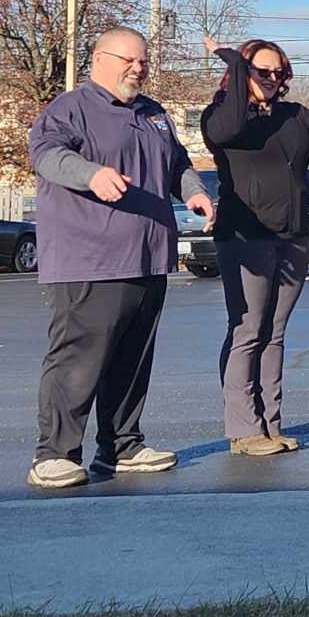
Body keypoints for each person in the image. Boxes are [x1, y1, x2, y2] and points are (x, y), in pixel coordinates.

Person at [26, 27, 215, 488]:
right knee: (78, 360)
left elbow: (178, 166)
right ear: (99, 58)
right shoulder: (71, 109)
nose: (139, 68)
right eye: (129, 59)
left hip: (148, 258)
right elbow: (46, 154)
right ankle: (54, 454)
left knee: (133, 359)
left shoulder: (154, 115)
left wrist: (195, 194)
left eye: (144, 61)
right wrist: (91, 175)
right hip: (88, 260)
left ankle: (122, 447)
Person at [200, 33, 309, 454]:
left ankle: (269, 425)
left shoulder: (292, 114)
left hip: (292, 237)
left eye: (277, 72)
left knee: (275, 333)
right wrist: (233, 61)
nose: (270, 78)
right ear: (243, 73)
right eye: (259, 71)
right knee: (248, 330)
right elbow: (229, 127)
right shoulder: (222, 116)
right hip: (245, 237)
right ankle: (244, 429)